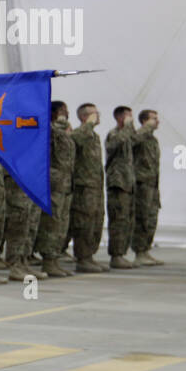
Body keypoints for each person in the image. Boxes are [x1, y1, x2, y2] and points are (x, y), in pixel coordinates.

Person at [35, 100, 76, 277]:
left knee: (61, 223)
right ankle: (48, 261)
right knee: (52, 223)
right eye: (62, 111)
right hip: (53, 184)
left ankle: (54, 258)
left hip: (65, 185)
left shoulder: (63, 131)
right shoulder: (49, 129)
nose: (66, 114)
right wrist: (60, 122)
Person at [70, 103, 105, 272]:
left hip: (96, 187)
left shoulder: (94, 136)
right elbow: (74, 140)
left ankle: (90, 256)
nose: (98, 116)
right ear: (84, 117)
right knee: (84, 223)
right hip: (84, 188)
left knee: (96, 222)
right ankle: (82, 258)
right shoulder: (79, 133)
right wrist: (88, 124)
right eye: (93, 114)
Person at [105, 105, 137, 269]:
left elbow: (138, 140)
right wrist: (128, 127)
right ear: (120, 118)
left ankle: (121, 253)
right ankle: (116, 255)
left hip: (127, 183)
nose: (131, 120)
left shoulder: (128, 134)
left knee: (127, 221)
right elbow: (113, 146)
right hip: (118, 183)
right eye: (128, 117)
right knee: (118, 221)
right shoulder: (115, 134)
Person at [131, 109, 163, 266]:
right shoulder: (139, 135)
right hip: (142, 184)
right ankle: (139, 251)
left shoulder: (152, 140)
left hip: (152, 184)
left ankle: (145, 250)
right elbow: (132, 142)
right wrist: (146, 128)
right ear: (144, 121)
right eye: (153, 119)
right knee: (141, 218)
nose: (157, 121)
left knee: (151, 218)